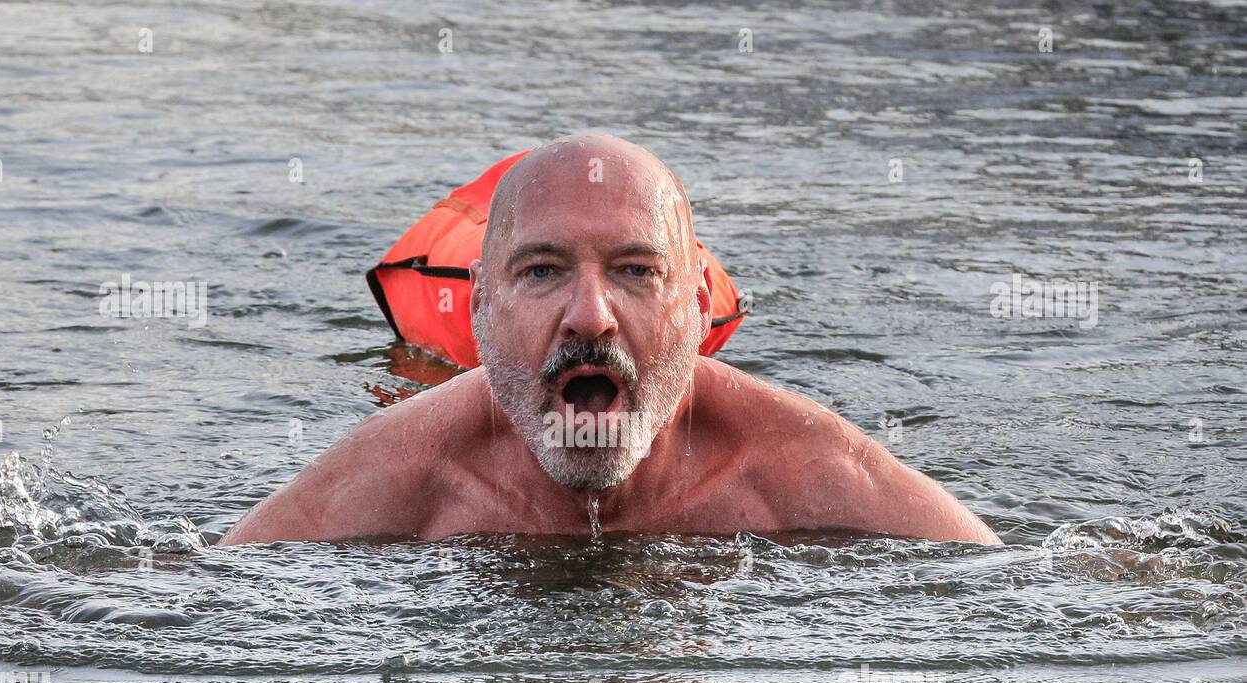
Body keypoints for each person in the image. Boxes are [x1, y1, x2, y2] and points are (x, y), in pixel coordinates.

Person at [220, 134, 1000, 546]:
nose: (589, 314)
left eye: (634, 270)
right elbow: (190, 601)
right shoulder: (400, 472)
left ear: (696, 308)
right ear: (481, 309)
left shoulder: (802, 467)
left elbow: (1014, 588)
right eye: (541, 272)